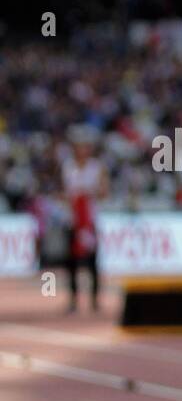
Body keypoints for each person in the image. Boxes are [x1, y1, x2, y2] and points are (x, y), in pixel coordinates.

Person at [60, 127, 108, 314]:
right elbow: (63, 191)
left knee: (92, 261)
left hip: (90, 220)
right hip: (72, 219)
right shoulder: (68, 167)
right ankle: (73, 299)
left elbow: (104, 192)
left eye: (85, 146)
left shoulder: (97, 167)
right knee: (70, 260)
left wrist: (88, 193)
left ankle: (95, 300)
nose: (82, 150)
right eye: (79, 146)